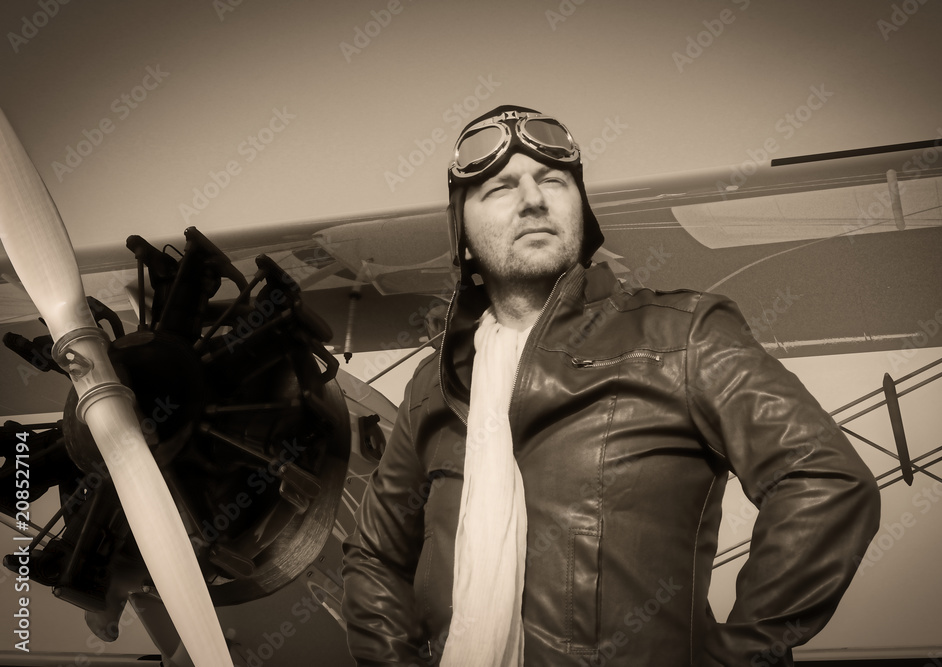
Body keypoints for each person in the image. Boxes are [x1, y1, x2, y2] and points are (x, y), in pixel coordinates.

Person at [341, 105, 880, 666]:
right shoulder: (437, 383)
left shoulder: (685, 334)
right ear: (465, 236)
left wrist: (735, 657)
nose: (533, 199)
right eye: (499, 188)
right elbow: (375, 555)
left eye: (553, 180)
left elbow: (825, 481)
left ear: (582, 211)